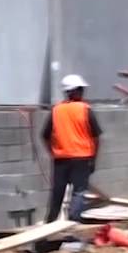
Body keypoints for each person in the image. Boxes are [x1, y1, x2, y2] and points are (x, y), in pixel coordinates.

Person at [42, 74, 102, 223]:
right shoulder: (85, 109)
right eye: (80, 90)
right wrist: (94, 159)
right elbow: (96, 137)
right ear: (72, 91)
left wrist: (52, 153)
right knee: (79, 192)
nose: (82, 93)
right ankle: (73, 222)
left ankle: (50, 222)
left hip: (61, 159)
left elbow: (45, 136)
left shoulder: (56, 110)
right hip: (82, 158)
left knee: (58, 192)